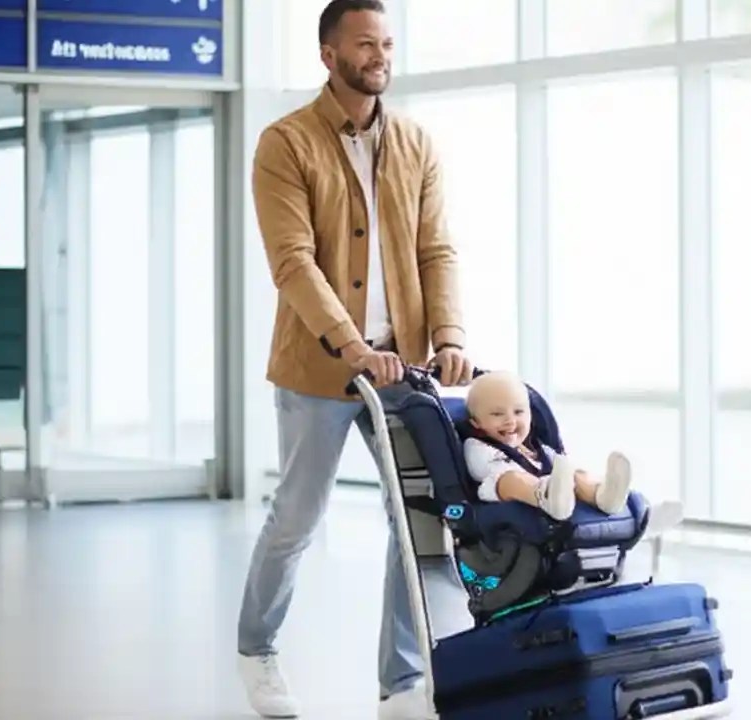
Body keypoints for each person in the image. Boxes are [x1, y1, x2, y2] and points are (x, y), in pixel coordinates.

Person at [236, 1, 472, 718]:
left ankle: (400, 681)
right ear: (328, 54)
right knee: (297, 518)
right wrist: (352, 346)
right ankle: (257, 649)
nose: (380, 55)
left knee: (416, 520)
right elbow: (293, 262)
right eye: (365, 43)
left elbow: (436, 250)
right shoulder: (286, 143)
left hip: (404, 370)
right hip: (319, 369)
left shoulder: (416, 145)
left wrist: (451, 335)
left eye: (388, 42)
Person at [462, 371, 633, 521]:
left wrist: (567, 473)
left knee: (575, 474)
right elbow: (479, 469)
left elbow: (559, 464)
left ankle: (602, 495)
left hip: (552, 483)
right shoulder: (476, 446)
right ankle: (547, 495)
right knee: (511, 479)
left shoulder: (536, 448)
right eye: (497, 414)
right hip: (498, 492)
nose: (510, 421)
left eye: (519, 412)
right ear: (476, 423)